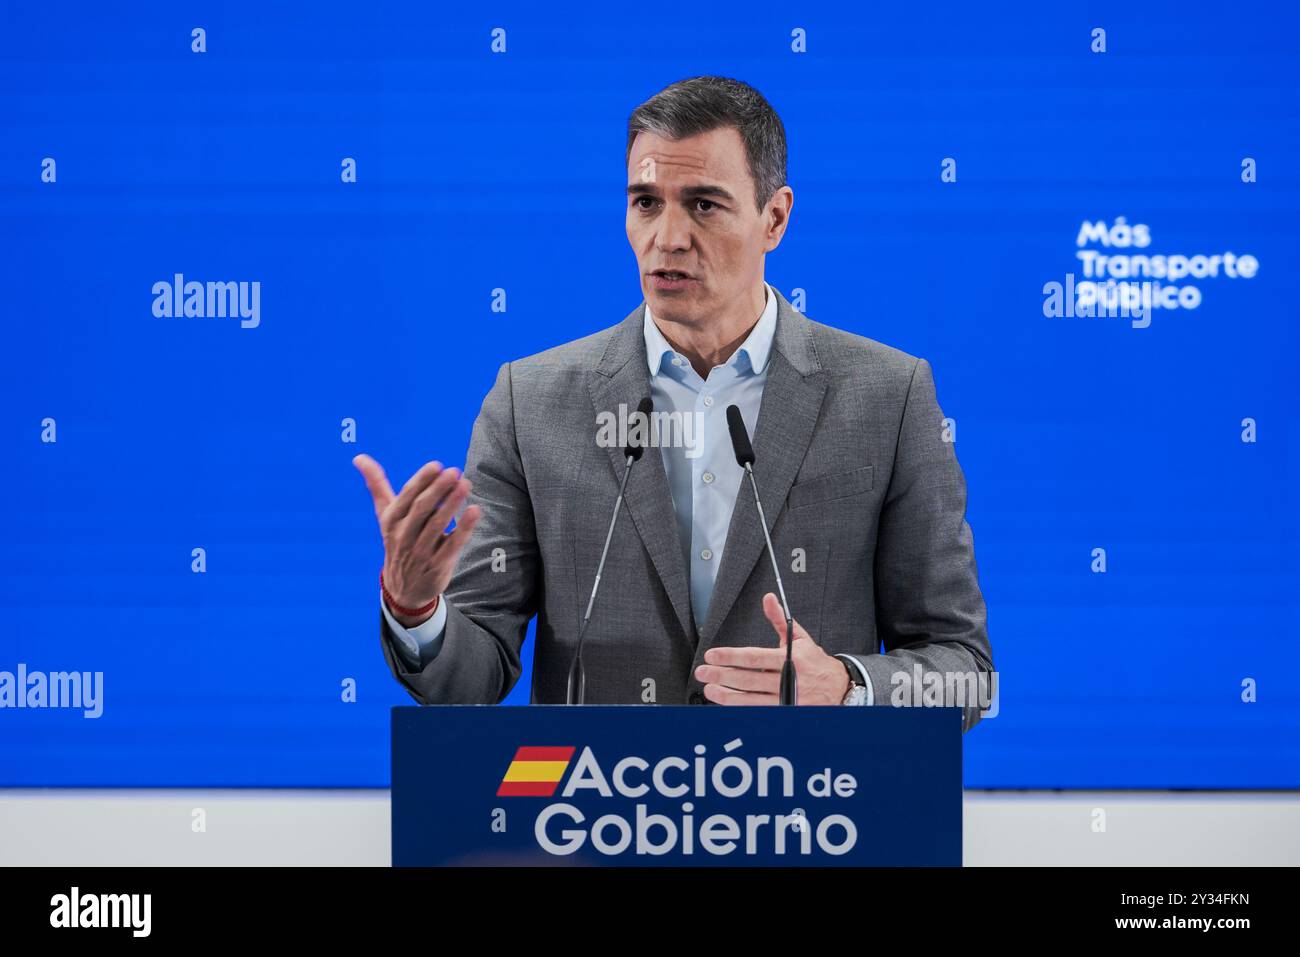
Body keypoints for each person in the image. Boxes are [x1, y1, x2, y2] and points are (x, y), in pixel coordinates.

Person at [354, 75, 993, 727]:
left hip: (807, 814)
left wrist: (849, 686)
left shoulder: (888, 395)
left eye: (704, 205)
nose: (667, 237)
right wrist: (416, 611)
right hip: (597, 816)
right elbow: (469, 679)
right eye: (646, 203)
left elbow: (967, 678)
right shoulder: (530, 402)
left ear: (774, 217)